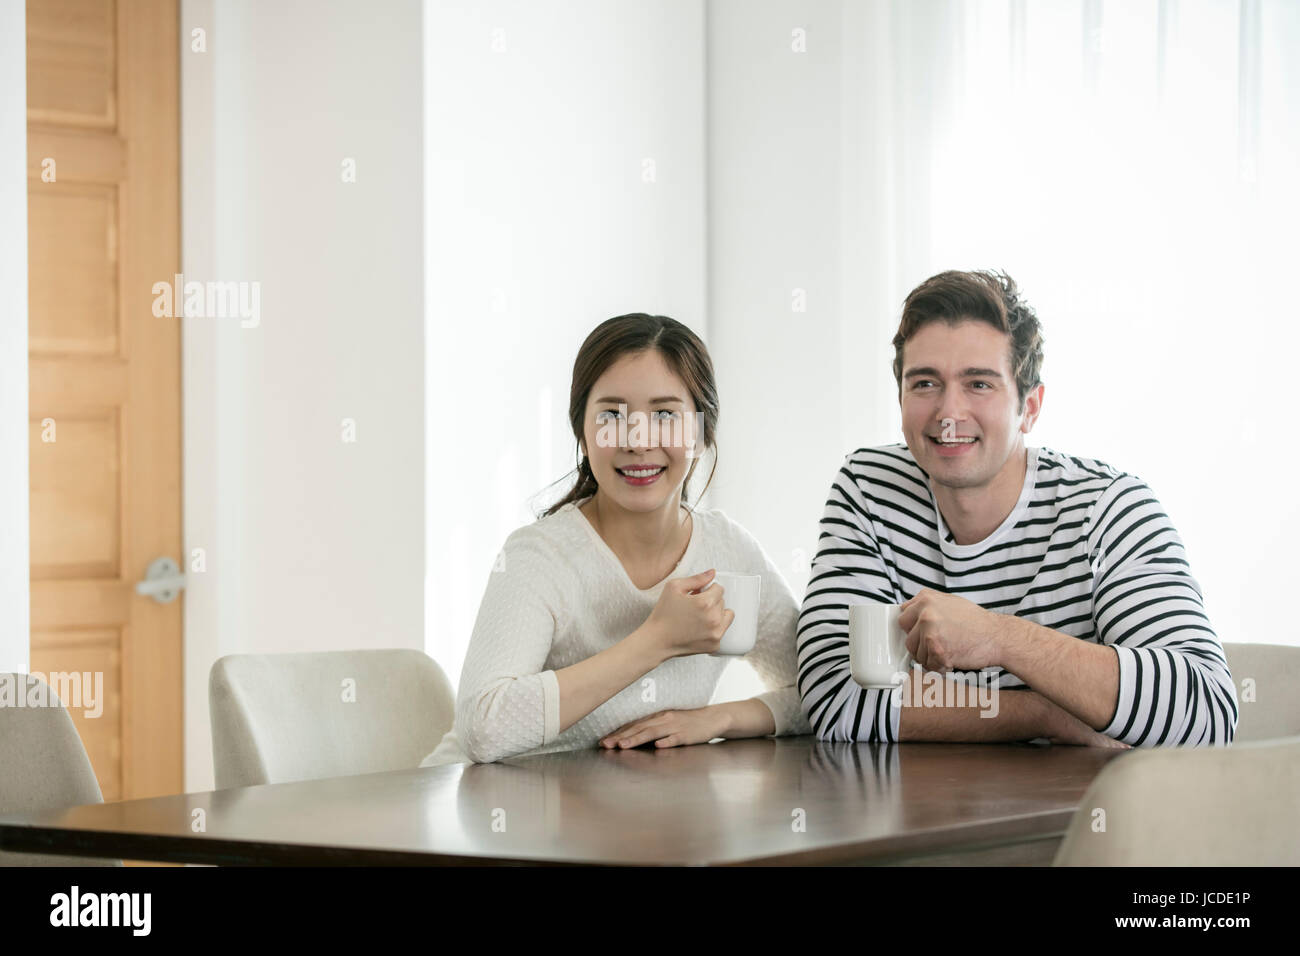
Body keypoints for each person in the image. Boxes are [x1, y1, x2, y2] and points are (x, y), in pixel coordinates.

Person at [797, 270, 1238, 748]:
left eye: (979, 384)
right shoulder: (870, 488)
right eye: (924, 383)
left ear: (1030, 406)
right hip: (913, 814)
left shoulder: (1108, 508)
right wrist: (1046, 714)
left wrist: (1000, 638)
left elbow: (1206, 714)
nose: (949, 412)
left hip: (1085, 818)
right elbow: (832, 695)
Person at [421, 313, 810, 767]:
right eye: (612, 415)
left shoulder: (730, 552)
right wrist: (657, 640)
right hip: (475, 814)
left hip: (618, 817)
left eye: (665, 414)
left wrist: (717, 719)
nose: (638, 441)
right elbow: (481, 730)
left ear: (701, 435)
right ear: (583, 434)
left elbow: (824, 691)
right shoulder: (539, 556)